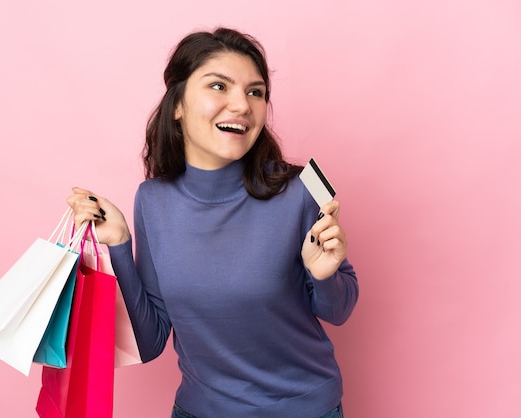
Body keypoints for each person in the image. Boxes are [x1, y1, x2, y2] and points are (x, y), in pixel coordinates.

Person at [68, 27, 358, 418]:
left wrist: (324, 276)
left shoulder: (300, 188)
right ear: (178, 105)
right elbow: (151, 340)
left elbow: (339, 310)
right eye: (219, 86)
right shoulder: (152, 201)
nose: (241, 104)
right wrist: (119, 244)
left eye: (255, 92)